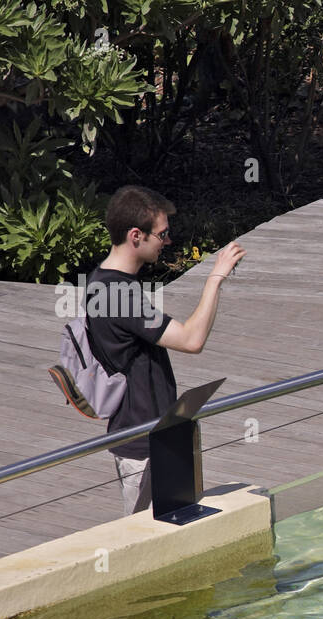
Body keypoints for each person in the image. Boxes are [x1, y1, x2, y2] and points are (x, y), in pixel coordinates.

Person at [87, 185, 246, 514]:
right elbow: (191, 340)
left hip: (153, 435)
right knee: (151, 543)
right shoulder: (119, 295)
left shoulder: (103, 283)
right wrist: (215, 278)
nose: (168, 241)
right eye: (162, 234)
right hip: (142, 445)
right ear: (136, 236)